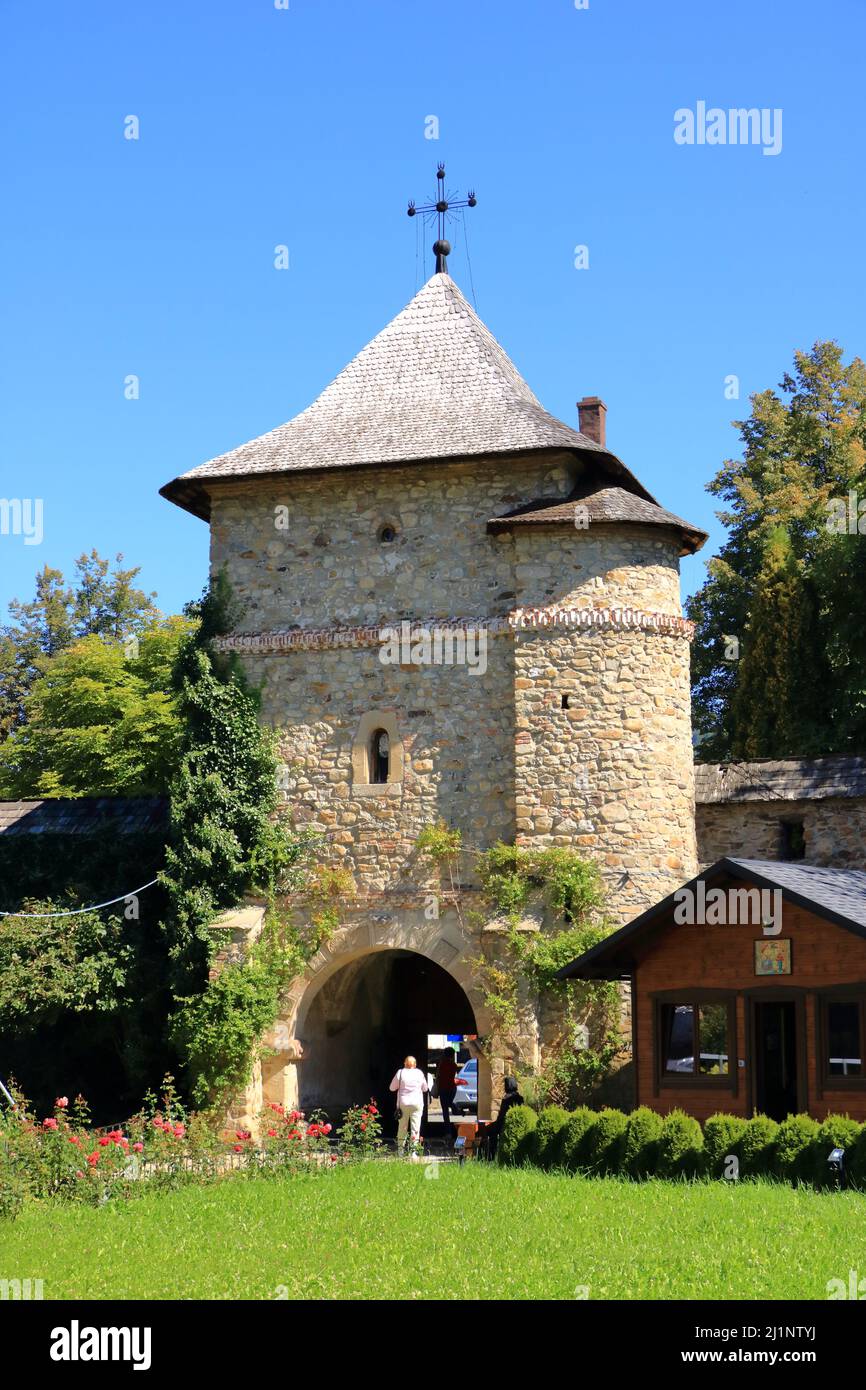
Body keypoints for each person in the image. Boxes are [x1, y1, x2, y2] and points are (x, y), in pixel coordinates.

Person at [389, 1055, 428, 1156]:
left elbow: (392, 1088)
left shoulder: (400, 1072)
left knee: (402, 1127)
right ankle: (413, 1153)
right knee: (415, 1128)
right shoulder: (419, 1073)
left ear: (405, 1063)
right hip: (416, 1104)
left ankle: (400, 1152)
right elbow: (425, 1089)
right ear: (415, 1065)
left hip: (403, 1104)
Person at [482, 1075, 524, 1160]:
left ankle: (488, 1156)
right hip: (516, 1123)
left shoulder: (507, 1099)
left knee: (488, 1130)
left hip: (504, 1124)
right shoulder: (520, 1098)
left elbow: (501, 1116)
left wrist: (494, 1125)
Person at [435, 1048, 459, 1138]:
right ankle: (455, 1108)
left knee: (445, 1111)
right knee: (449, 1103)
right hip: (452, 1088)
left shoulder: (442, 1064)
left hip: (443, 1088)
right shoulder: (454, 1065)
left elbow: (438, 1076)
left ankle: (448, 1132)